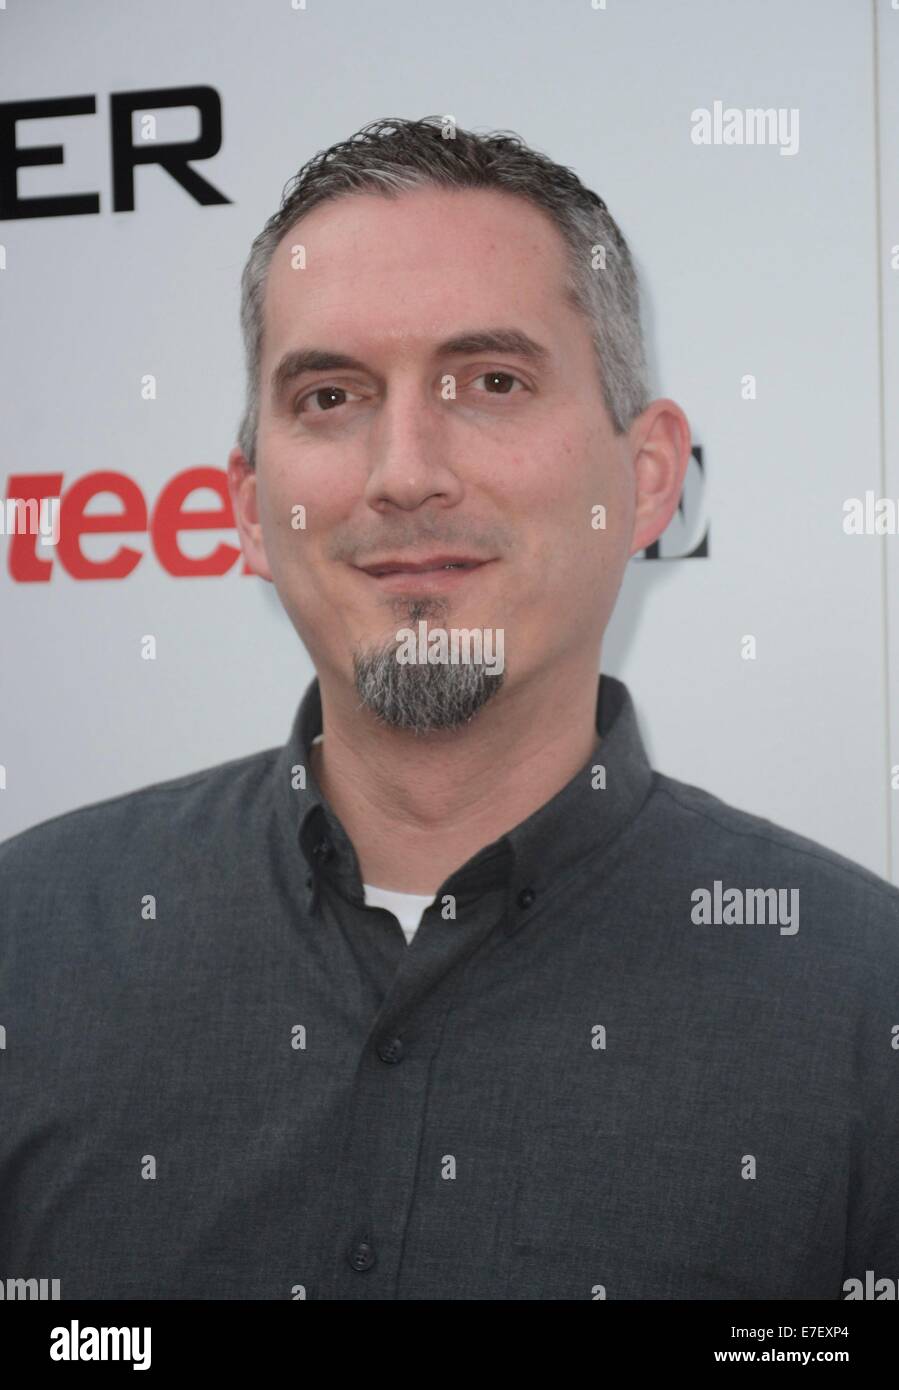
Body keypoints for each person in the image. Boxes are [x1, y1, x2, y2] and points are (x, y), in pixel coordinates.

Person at [1, 115, 897, 1301]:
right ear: (248, 505)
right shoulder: (29, 942)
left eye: (490, 381)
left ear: (644, 481)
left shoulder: (862, 1002)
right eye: (329, 395)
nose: (403, 469)